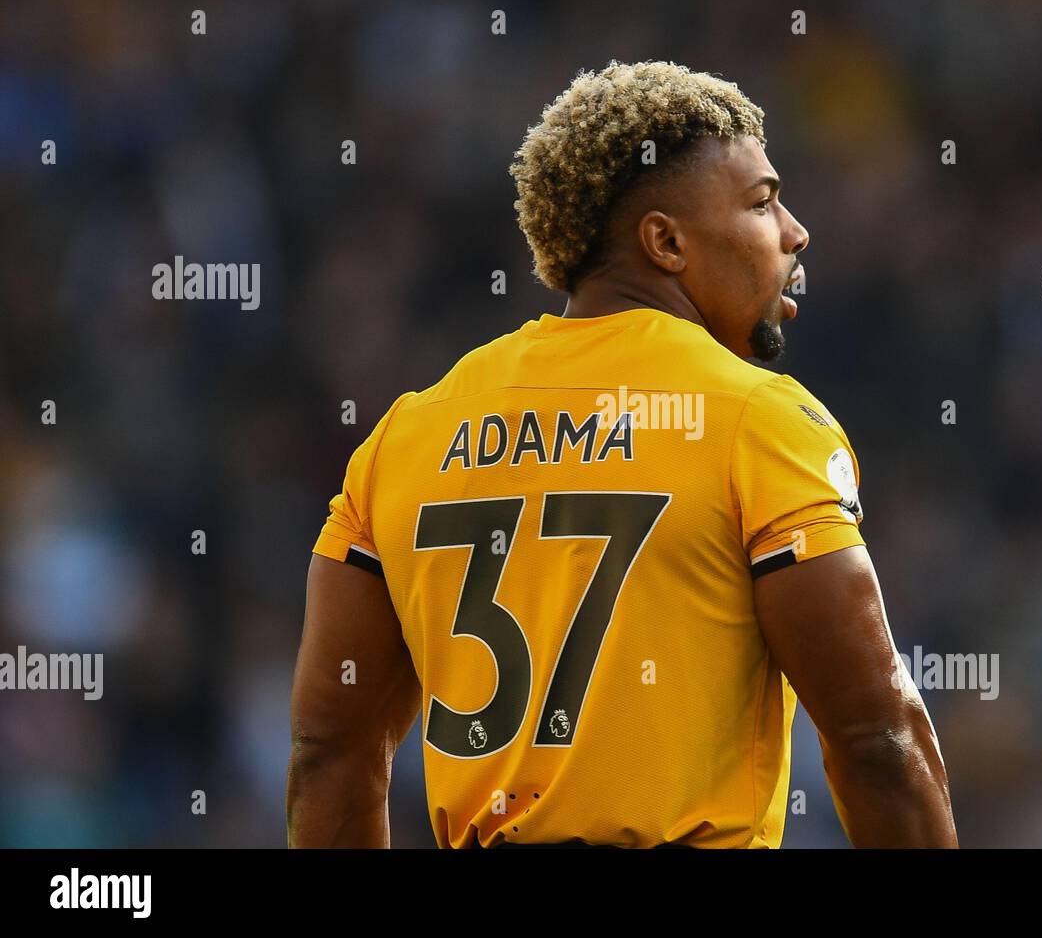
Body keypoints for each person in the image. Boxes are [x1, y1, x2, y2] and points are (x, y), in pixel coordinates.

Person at [287, 60, 956, 848]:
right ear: (666, 242)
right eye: (761, 202)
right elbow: (878, 735)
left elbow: (330, 750)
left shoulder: (405, 435)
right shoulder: (758, 419)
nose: (794, 231)